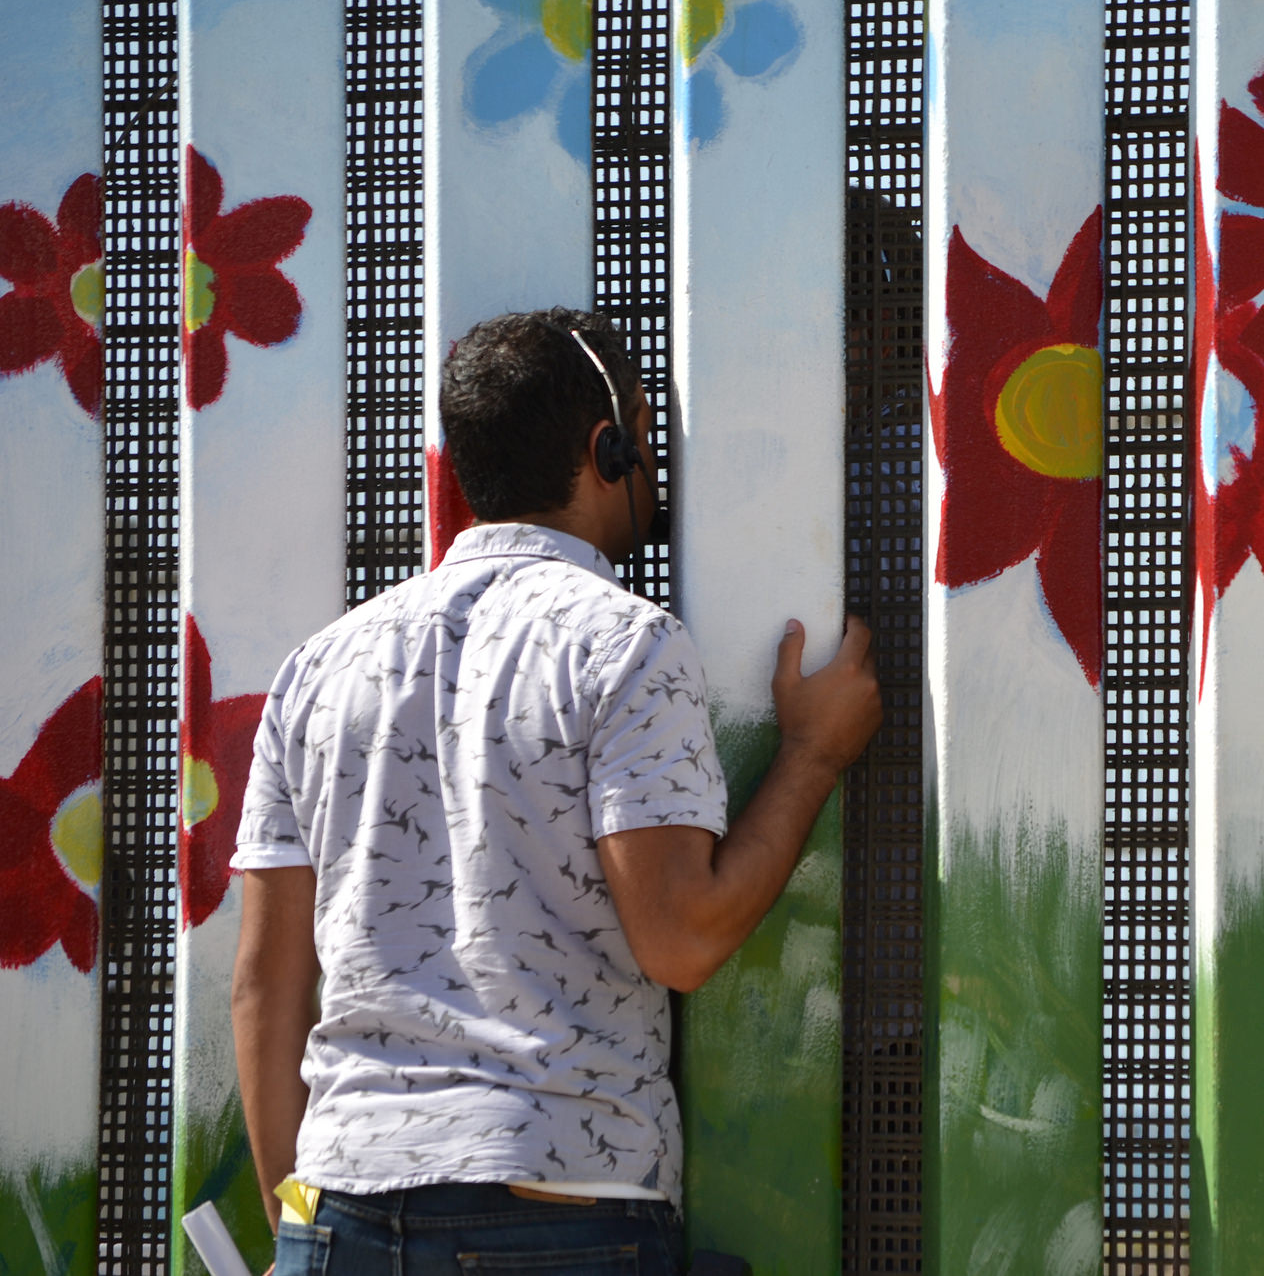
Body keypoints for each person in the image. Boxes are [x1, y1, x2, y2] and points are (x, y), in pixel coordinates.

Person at [229, 308, 881, 1274]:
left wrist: (302, 1219)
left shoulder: (318, 669)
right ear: (608, 448)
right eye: (647, 438)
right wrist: (813, 755)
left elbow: (264, 984)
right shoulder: (625, 643)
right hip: (561, 1209)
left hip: (339, 1212)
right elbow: (682, 938)